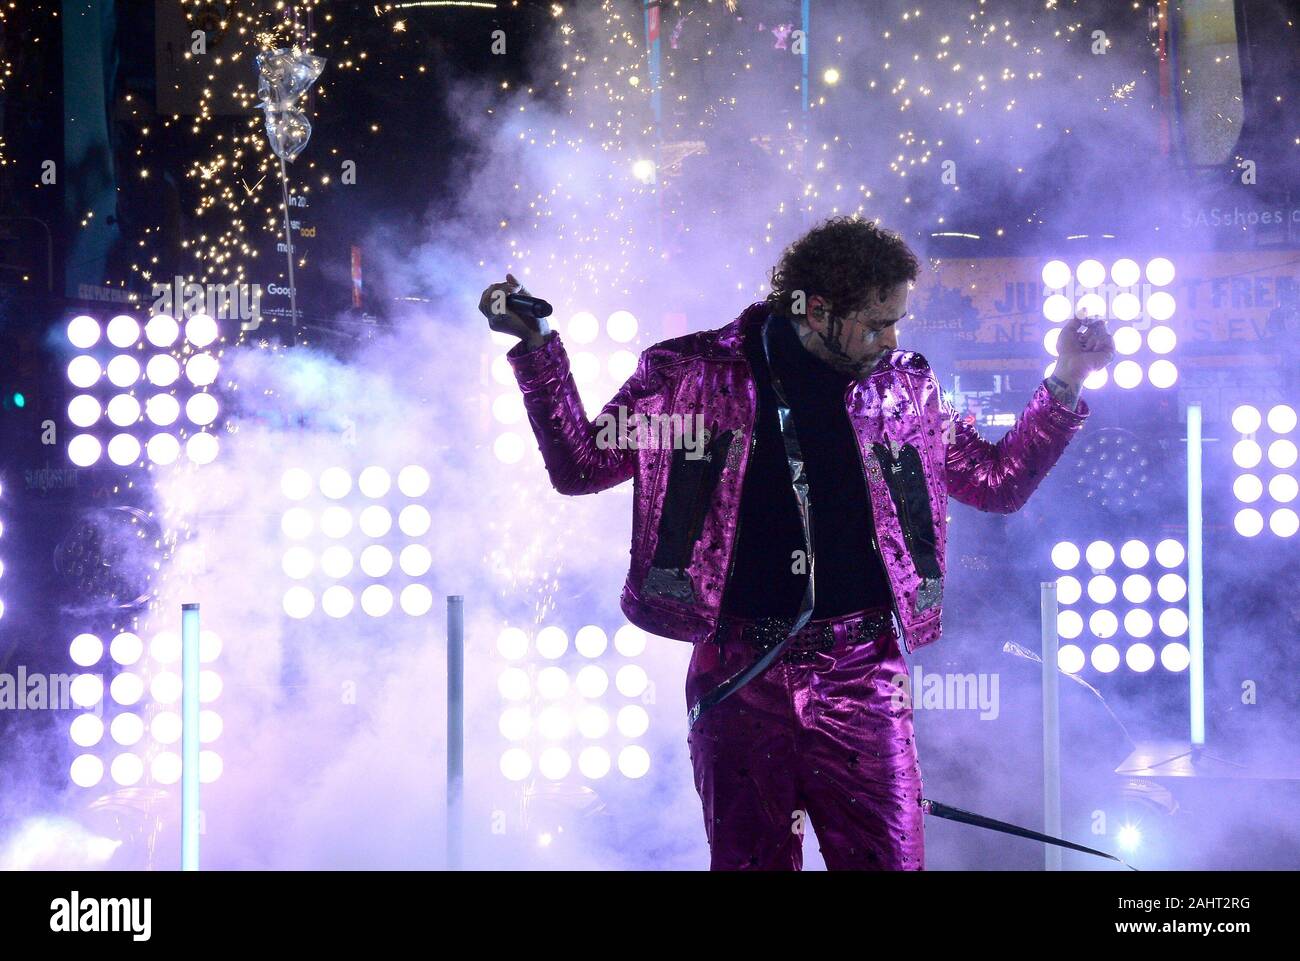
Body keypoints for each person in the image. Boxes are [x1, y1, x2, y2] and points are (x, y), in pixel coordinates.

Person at [480, 216, 1115, 870]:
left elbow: (996, 481)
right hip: (740, 675)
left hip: (864, 672)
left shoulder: (904, 386)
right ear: (816, 310)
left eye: (896, 320)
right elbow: (580, 464)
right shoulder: (690, 374)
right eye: (875, 322)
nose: (892, 337)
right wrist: (538, 346)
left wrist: (1068, 376)